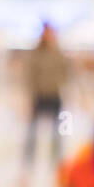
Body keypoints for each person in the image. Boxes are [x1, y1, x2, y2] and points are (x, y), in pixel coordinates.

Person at [23, 23, 70, 167]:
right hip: (39, 96)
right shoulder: (36, 54)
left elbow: (66, 72)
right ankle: (28, 163)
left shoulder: (58, 52)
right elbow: (29, 76)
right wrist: (29, 97)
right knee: (32, 132)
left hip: (55, 95)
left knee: (58, 131)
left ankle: (57, 162)